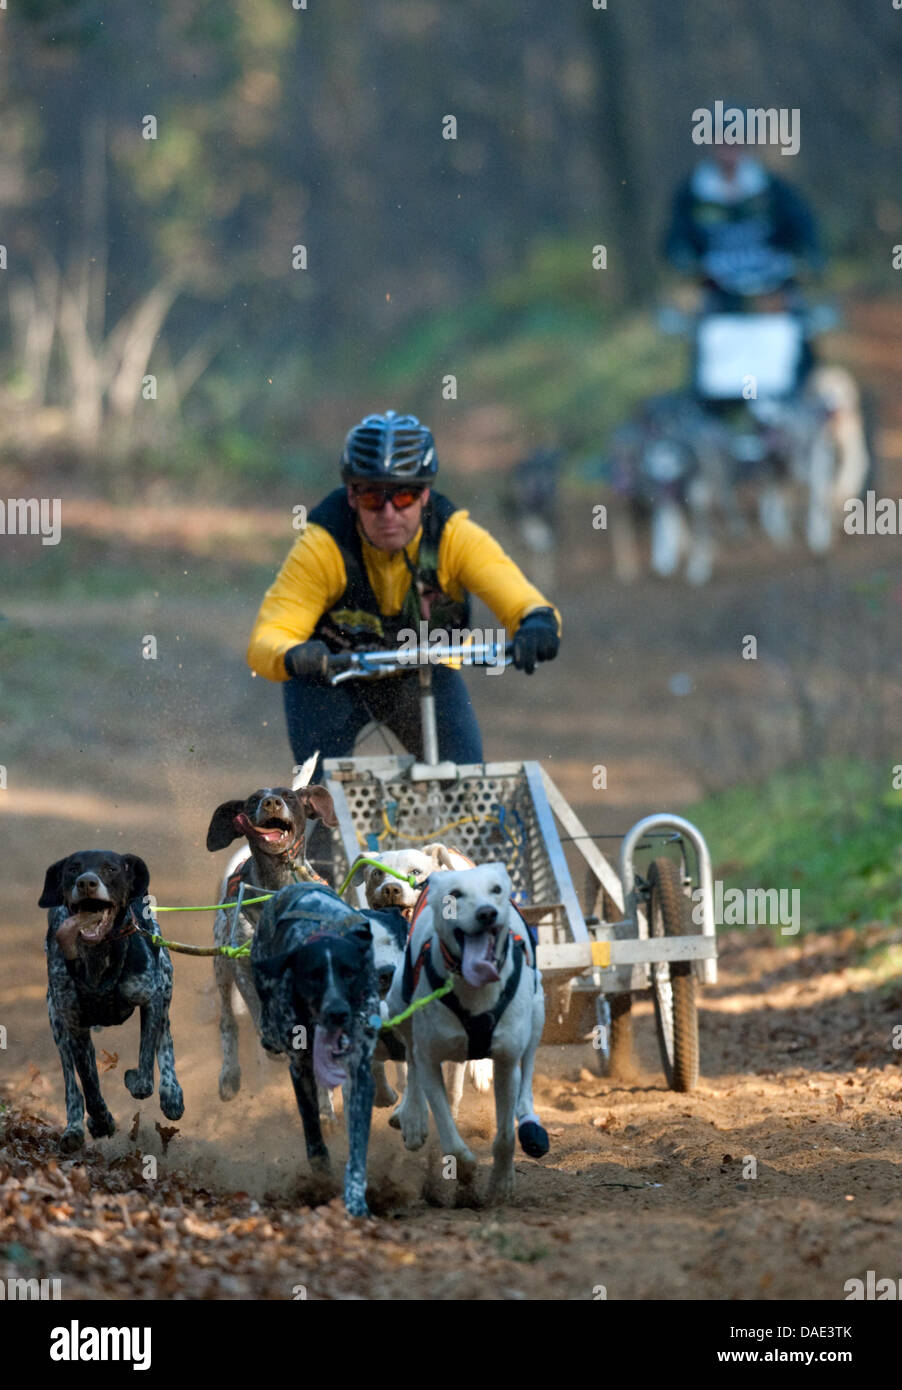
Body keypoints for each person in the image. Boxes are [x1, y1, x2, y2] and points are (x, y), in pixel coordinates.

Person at [247, 410, 561, 788]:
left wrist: (537, 625)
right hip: (332, 681)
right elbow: (266, 638)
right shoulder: (323, 545)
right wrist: (293, 654)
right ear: (351, 495)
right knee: (321, 800)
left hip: (421, 677)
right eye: (372, 497)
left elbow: (525, 602)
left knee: (466, 789)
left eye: (404, 496)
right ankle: (323, 843)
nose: (389, 513)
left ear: (425, 494)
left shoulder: (453, 537)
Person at [664, 141, 822, 311]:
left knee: (803, 317)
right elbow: (676, 233)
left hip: (772, 280)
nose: (728, 152)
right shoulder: (694, 191)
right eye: (722, 145)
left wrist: (809, 251)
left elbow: (802, 222)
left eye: (735, 145)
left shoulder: (770, 186)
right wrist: (683, 257)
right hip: (716, 284)